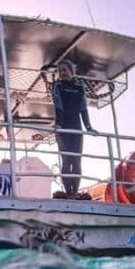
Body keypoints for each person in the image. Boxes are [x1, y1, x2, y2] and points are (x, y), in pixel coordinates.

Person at [51, 60, 96, 198]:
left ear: (71, 71)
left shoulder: (80, 87)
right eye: (59, 71)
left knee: (76, 160)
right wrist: (58, 125)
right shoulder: (57, 86)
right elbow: (58, 106)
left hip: (76, 128)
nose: (62, 73)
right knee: (66, 159)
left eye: (65, 70)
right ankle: (68, 192)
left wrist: (89, 127)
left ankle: (75, 192)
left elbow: (83, 108)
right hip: (63, 127)